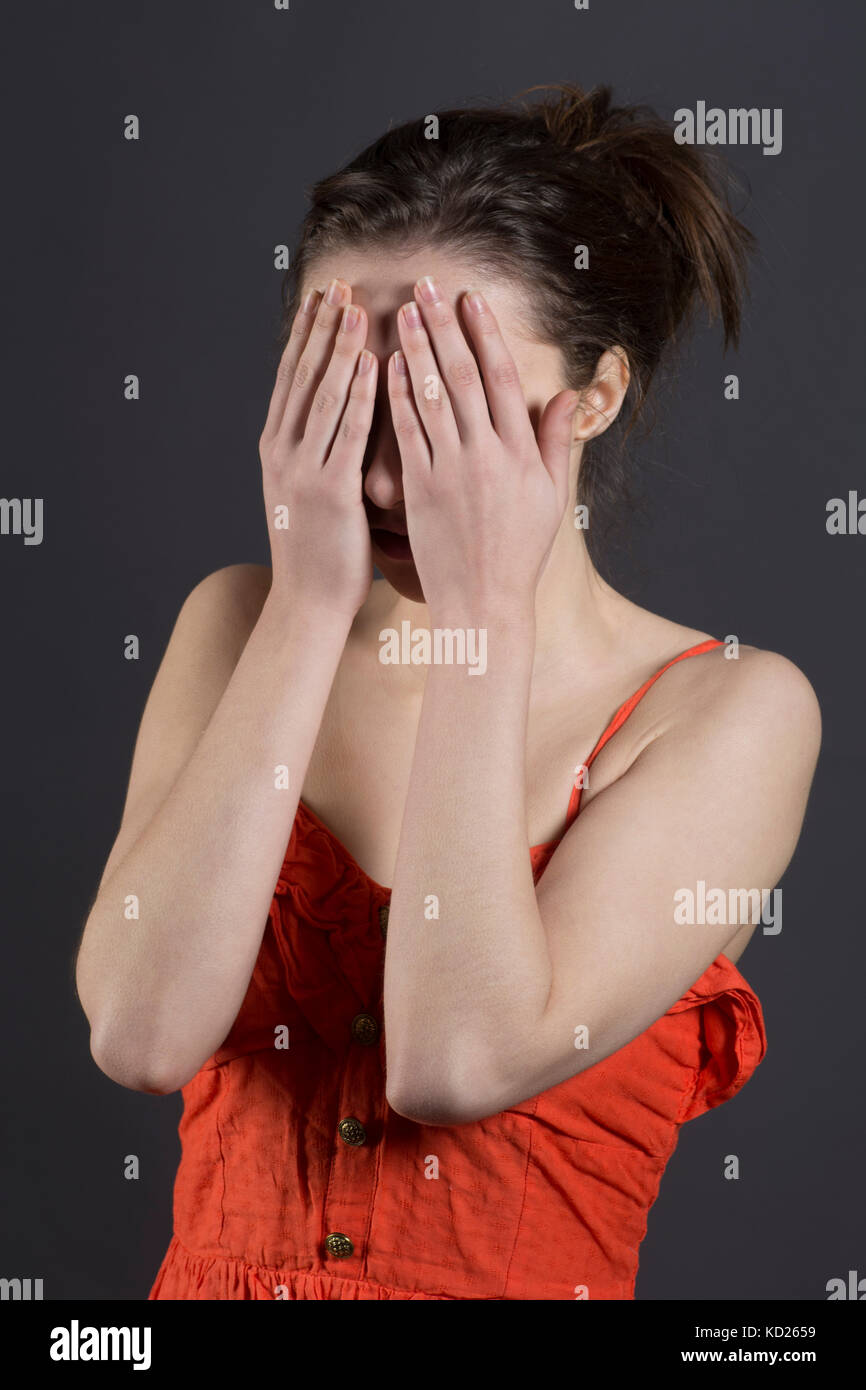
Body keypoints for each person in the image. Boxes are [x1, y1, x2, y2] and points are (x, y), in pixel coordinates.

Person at [75, 83, 821, 1300]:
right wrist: (306, 609)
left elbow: (455, 1061)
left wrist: (482, 618)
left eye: (446, 410)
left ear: (594, 396)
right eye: (342, 402)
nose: (381, 479)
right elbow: (140, 1034)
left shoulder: (727, 711)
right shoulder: (237, 625)